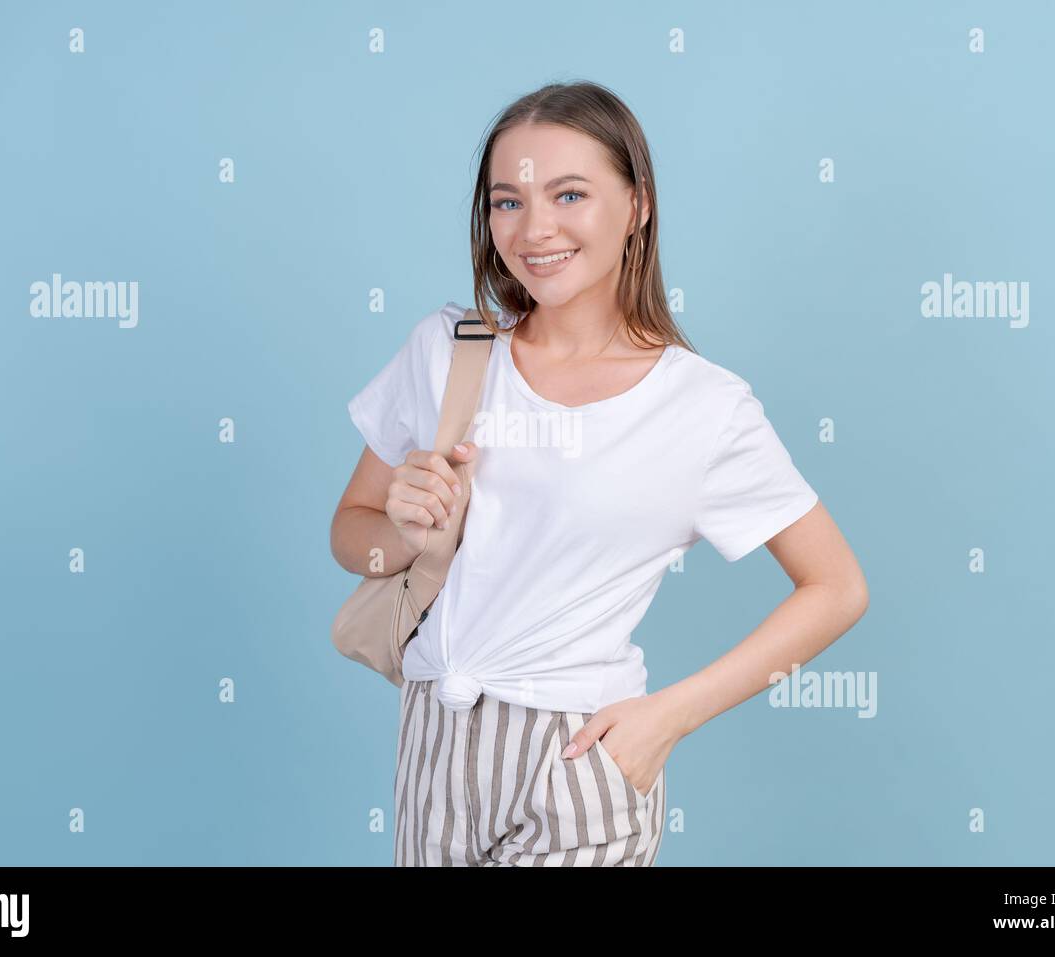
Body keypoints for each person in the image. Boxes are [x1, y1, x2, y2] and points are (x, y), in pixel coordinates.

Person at [329, 81, 868, 866]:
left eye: (569, 193)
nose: (534, 229)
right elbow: (352, 535)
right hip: (433, 748)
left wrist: (670, 715)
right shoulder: (450, 351)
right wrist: (401, 531)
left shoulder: (704, 406)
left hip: (581, 757)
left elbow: (837, 587)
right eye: (506, 201)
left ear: (638, 203)